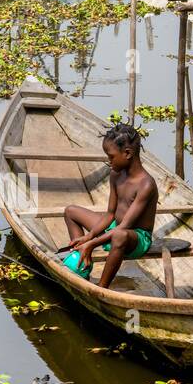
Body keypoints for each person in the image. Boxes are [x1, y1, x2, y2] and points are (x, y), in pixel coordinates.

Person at [61, 123, 158, 288]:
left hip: (136, 238)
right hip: (115, 227)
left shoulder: (146, 184)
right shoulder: (116, 175)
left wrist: (91, 244)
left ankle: (102, 287)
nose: (109, 161)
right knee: (70, 211)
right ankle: (83, 265)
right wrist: (89, 236)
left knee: (119, 235)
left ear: (127, 153)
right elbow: (109, 214)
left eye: (111, 156)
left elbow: (124, 228)